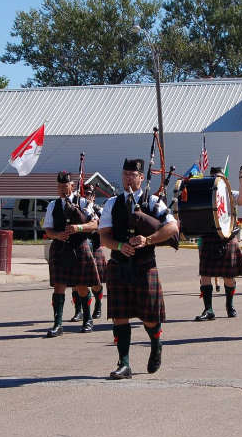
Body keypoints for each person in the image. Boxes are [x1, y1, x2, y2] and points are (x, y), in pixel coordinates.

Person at [98, 158, 178, 380]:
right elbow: (104, 236)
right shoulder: (112, 204)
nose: (127, 179)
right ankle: (124, 363)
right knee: (119, 316)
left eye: (132, 175)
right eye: (125, 174)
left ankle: (155, 343)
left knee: (149, 318)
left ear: (141, 178)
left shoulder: (153, 202)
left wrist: (149, 240)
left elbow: (172, 227)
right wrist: (120, 246)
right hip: (119, 265)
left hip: (144, 266)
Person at [44, 171, 100, 337]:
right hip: (60, 248)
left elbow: (95, 224)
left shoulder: (83, 202)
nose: (62, 189)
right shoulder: (53, 206)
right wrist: (56, 235)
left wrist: (78, 228)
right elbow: (48, 229)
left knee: (81, 286)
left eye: (65, 186)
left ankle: (88, 319)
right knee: (59, 286)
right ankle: (57, 324)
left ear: (72, 186)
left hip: (79, 246)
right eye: (59, 186)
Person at [194, 164, 242, 321]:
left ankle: (229, 305)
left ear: (224, 178)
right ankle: (208, 309)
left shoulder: (230, 192)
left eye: (219, 177)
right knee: (205, 275)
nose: (216, 180)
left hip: (227, 237)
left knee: (229, 276)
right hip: (208, 236)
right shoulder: (205, 193)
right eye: (213, 178)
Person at [84, 184, 107, 319]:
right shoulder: (78, 209)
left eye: (90, 194)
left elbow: (104, 227)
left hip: (95, 246)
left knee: (96, 282)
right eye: (86, 193)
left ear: (93, 196)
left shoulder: (99, 210)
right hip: (80, 247)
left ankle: (98, 303)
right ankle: (79, 310)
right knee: (77, 284)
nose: (88, 196)